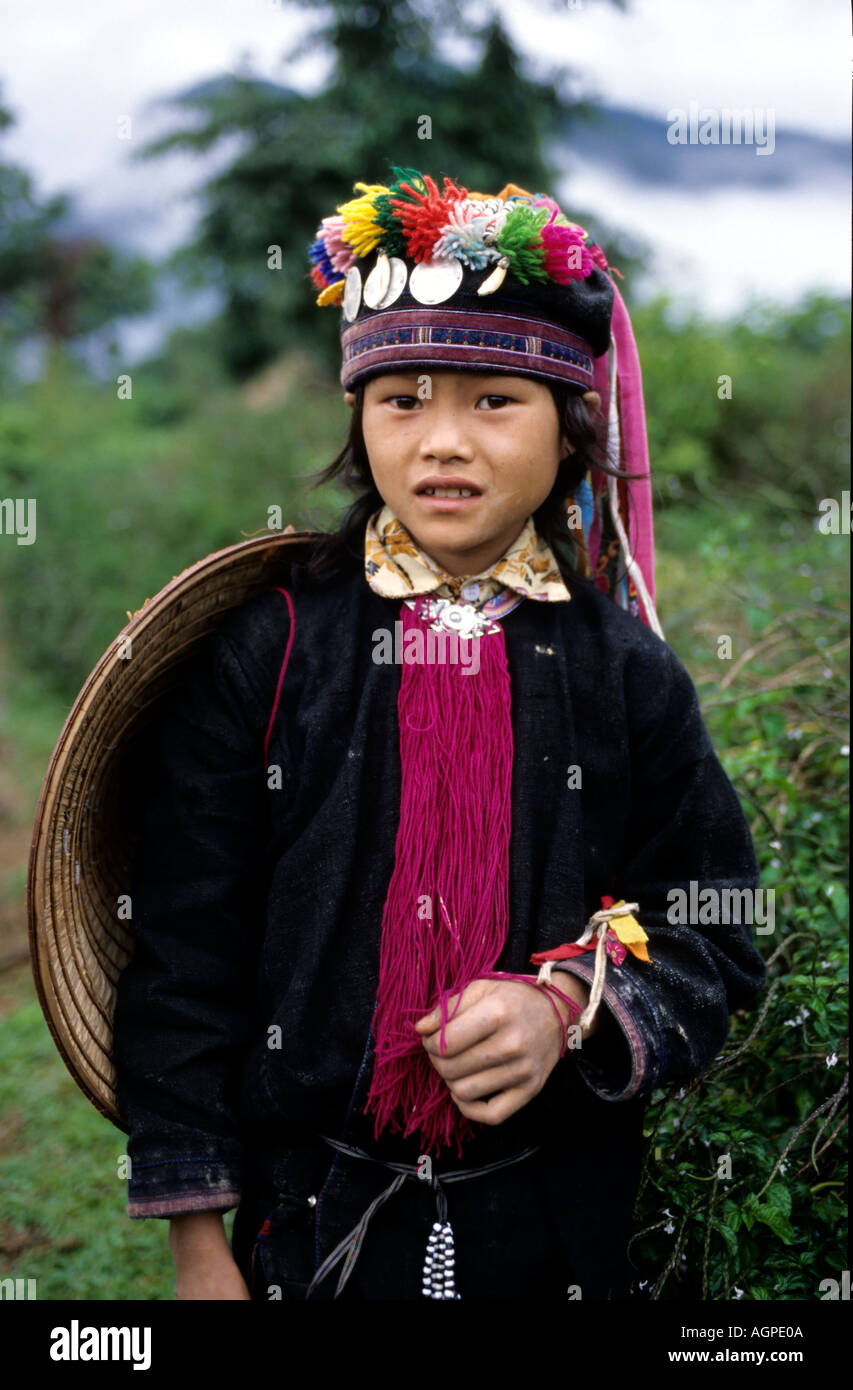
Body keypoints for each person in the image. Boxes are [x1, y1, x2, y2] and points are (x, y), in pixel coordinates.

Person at [112, 165, 767, 1301]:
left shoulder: (624, 674)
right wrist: (197, 1237)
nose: (443, 441)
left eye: (492, 401)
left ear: (570, 435)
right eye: (402, 399)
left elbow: (716, 920)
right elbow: (183, 944)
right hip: (300, 1219)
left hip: (556, 1219)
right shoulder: (270, 652)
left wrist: (566, 1004)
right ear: (357, 421)